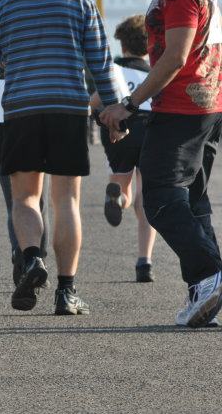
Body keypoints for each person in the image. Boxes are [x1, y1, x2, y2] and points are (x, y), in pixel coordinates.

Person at [101, 0, 222, 328]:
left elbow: (175, 55)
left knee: (161, 199)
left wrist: (129, 104)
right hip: (206, 103)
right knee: (192, 200)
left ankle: (209, 275)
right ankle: (203, 291)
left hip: (181, 106)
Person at [0, 0, 118, 317]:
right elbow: (101, 64)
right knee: (66, 200)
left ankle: (30, 260)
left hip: (21, 108)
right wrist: (114, 111)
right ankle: (66, 291)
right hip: (68, 108)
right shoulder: (79, 1)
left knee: (25, 197)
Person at [89, 15, 157, 282]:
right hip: (149, 132)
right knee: (147, 198)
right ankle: (144, 262)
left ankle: (118, 198)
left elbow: (94, 101)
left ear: (122, 45)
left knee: (123, 185)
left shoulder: (114, 70)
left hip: (120, 133)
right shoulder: (153, 73)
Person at [0, 78, 50, 286]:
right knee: (39, 203)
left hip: (4, 116)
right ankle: (38, 257)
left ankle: (21, 254)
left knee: (16, 202)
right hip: (38, 110)